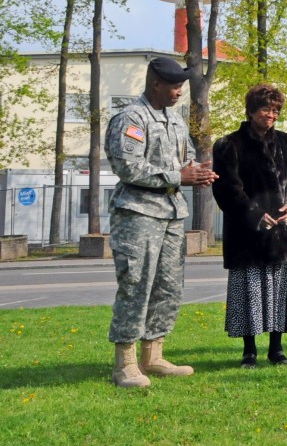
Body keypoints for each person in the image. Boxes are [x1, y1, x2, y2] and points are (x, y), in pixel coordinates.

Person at [104, 56, 217, 388]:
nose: (179, 92)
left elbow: (182, 160)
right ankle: (124, 364)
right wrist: (177, 175)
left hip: (170, 214)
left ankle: (152, 356)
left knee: (168, 286)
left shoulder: (175, 120)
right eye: (174, 86)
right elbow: (128, 167)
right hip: (138, 215)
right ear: (155, 84)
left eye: (181, 85)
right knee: (136, 285)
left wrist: (196, 173)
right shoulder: (131, 119)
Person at [212, 84, 287, 367]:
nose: (271, 115)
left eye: (275, 110)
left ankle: (277, 349)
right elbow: (227, 190)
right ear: (252, 110)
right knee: (250, 294)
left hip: (281, 235)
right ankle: (249, 351)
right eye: (266, 109)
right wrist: (254, 214)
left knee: (278, 293)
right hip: (246, 236)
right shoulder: (229, 144)